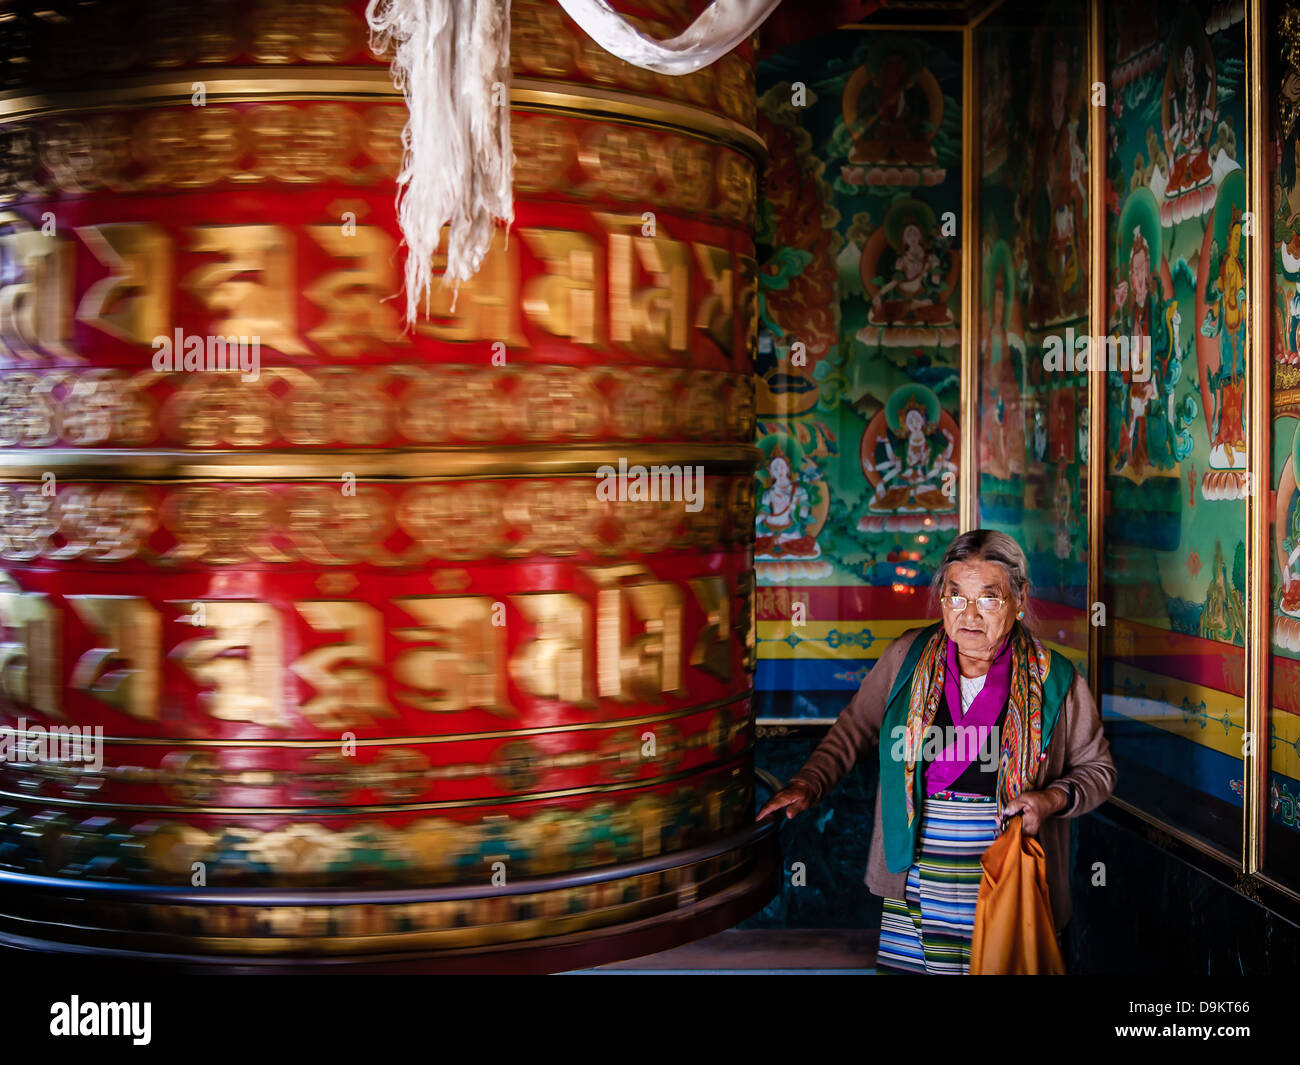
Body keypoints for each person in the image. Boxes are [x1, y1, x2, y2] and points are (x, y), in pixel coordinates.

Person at [757, 529, 1116, 974]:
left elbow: (1098, 770)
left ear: (1019, 598)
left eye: (988, 598)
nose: (969, 615)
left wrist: (1050, 799)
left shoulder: (1054, 679)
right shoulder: (908, 657)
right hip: (919, 870)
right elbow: (856, 727)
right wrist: (809, 781)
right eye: (955, 596)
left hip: (1003, 870)